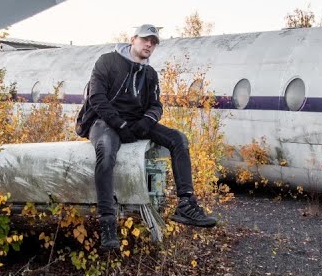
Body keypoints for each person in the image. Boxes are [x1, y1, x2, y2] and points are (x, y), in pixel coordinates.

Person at [75, 23, 218, 250]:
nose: (149, 44)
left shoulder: (150, 74)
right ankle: (107, 223)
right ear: (133, 39)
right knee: (106, 151)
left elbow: (156, 105)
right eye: (145, 40)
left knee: (178, 139)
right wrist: (120, 125)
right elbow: (97, 98)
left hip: (136, 122)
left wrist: (146, 122)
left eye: (153, 42)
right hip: (104, 121)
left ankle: (186, 205)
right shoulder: (107, 61)